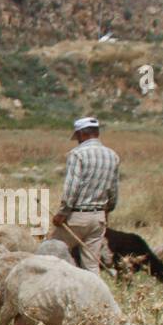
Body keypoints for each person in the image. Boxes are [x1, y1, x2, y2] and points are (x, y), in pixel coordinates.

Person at [51, 116, 119, 274]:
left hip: (77, 217)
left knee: (50, 254)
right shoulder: (112, 156)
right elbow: (113, 191)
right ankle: (95, 297)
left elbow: (71, 189)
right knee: (92, 265)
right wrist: (106, 211)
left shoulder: (77, 154)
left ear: (81, 134)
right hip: (98, 218)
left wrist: (62, 213)